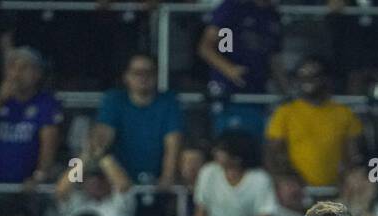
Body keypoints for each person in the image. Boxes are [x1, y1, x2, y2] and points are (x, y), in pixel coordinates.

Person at [0, 47, 62, 186]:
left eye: (24, 68)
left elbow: (48, 145)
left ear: (37, 74)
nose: (16, 74)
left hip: (28, 186)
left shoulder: (46, 103)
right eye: (12, 67)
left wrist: (39, 176)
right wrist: (0, 99)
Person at [264, 56, 363, 188]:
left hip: (336, 189)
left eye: (314, 75)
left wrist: (347, 176)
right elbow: (273, 153)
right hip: (296, 190)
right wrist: (287, 179)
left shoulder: (344, 113)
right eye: (302, 76)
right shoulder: (285, 112)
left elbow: (353, 154)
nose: (308, 80)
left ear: (326, 78)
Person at [92, 53, 184, 186]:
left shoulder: (168, 101)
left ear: (157, 75)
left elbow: (173, 143)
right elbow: (99, 142)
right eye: (137, 72)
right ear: (126, 76)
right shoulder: (114, 100)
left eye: (149, 72)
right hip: (115, 185)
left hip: (157, 183)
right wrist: (114, 171)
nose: (143, 77)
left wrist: (166, 180)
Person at [197, 0, 284, 138]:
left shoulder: (273, 15)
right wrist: (229, 69)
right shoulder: (233, 7)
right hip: (228, 92)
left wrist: (285, 89)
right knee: (229, 143)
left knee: (255, 142)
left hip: (258, 92)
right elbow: (206, 47)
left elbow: (273, 57)